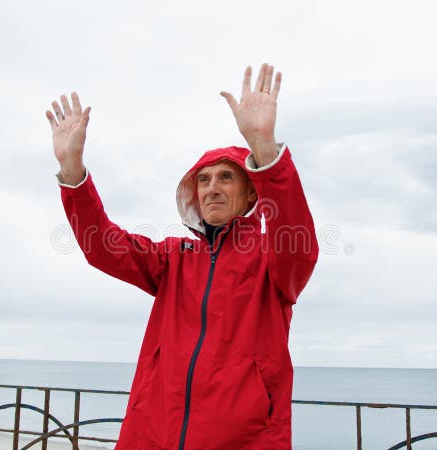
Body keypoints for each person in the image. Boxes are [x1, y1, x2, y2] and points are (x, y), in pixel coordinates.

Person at [46, 63, 318, 449]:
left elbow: (300, 242)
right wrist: (72, 172)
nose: (211, 188)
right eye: (203, 181)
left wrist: (265, 152)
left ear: (251, 192)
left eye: (226, 177)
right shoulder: (173, 257)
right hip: (154, 436)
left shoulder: (272, 259)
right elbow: (101, 244)